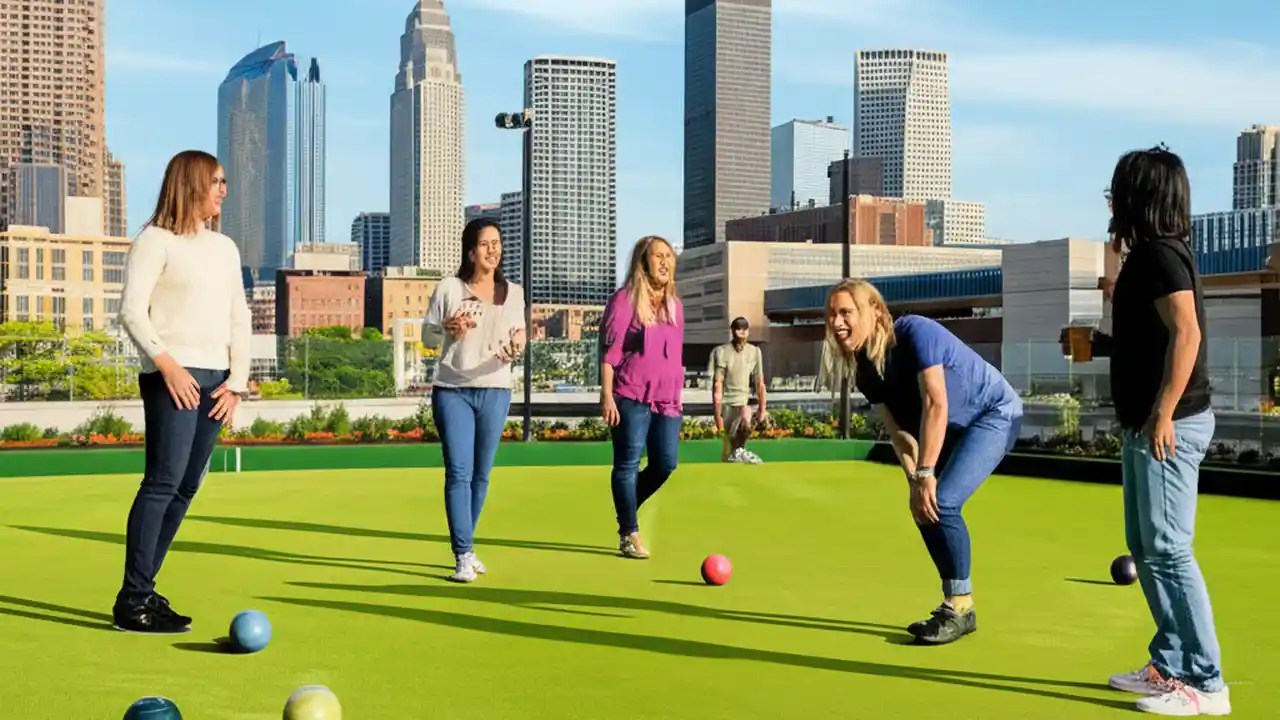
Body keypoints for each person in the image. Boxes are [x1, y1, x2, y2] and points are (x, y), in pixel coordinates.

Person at [1069, 147, 1229, 716]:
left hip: (1171, 424)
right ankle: (1170, 662)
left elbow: (1187, 336)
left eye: (1119, 189)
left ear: (1142, 196)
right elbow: (1153, 341)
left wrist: (1163, 411)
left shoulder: (1163, 256)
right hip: (1148, 422)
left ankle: (1205, 683)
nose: (1112, 200)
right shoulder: (1146, 257)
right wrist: (1102, 344)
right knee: (1146, 546)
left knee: (1168, 549)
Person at [821, 278, 1022, 645]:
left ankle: (960, 606)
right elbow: (900, 434)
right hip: (949, 427)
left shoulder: (915, 332)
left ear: (875, 312)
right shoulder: (863, 367)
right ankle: (956, 604)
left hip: (993, 414)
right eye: (832, 314)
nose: (837, 323)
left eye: (846, 312)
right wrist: (915, 481)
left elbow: (935, 403)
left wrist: (928, 473)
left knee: (943, 502)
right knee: (925, 506)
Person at [114, 150, 251, 633]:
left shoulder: (225, 248)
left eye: (225, 181)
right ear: (191, 183)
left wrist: (237, 384)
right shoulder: (155, 241)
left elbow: (240, 316)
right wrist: (167, 365)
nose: (223, 190)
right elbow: (132, 311)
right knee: (162, 483)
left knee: (187, 486)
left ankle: (144, 591)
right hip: (171, 376)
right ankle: (133, 602)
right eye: (216, 181)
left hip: (216, 382)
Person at [423, 218, 526, 583]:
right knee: (459, 473)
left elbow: (520, 335)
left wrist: (517, 346)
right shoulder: (450, 288)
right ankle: (462, 555)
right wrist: (448, 329)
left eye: (497, 243)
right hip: (453, 390)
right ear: (471, 250)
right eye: (485, 244)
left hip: (496, 389)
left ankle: (467, 543)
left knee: (481, 477)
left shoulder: (513, 292)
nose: (493, 250)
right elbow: (429, 338)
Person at [599, 235, 684, 559]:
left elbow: (674, 356)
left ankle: (627, 505)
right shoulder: (624, 300)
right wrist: (606, 395)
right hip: (630, 395)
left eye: (668, 255)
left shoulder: (676, 307)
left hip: (667, 400)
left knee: (665, 463)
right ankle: (629, 531)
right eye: (657, 256)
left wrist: (678, 394)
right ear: (643, 262)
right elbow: (610, 352)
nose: (664, 261)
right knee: (627, 463)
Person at [709, 317, 768, 464]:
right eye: (738, 329)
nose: (742, 332)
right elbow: (718, 384)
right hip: (727, 404)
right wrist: (717, 415)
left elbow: (759, 382)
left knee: (745, 415)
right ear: (733, 331)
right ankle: (733, 456)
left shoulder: (755, 352)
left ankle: (739, 452)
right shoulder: (722, 352)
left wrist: (762, 408)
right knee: (728, 444)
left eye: (745, 329)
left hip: (743, 402)